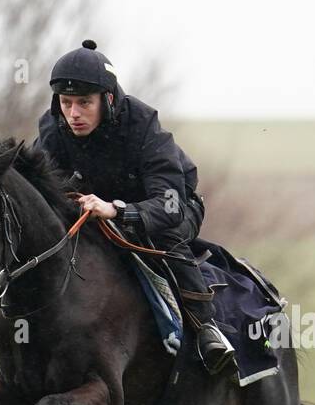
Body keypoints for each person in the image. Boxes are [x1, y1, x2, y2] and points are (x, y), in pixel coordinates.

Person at [27, 39, 235, 374]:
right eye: (66, 103)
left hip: (173, 206)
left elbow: (170, 206)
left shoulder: (142, 125)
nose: (74, 114)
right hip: (94, 208)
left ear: (107, 99)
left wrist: (118, 211)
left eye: (84, 103)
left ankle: (207, 330)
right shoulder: (52, 129)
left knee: (164, 239)